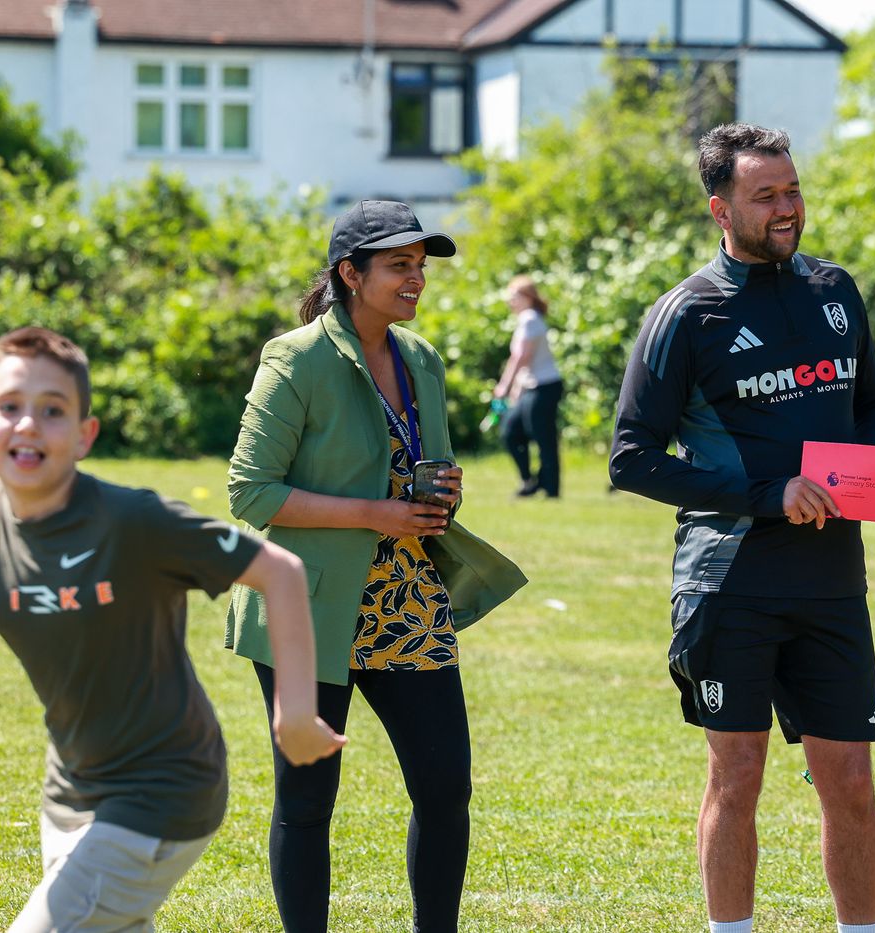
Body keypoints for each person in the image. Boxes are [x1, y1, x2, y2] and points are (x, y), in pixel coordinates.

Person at [0, 326, 344, 933]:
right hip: (70, 794)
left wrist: (294, 714)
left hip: (166, 790)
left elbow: (280, 571)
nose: (27, 425)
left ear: (84, 435)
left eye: (52, 411)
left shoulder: (131, 520)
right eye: (9, 408)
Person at [609, 123, 875, 933]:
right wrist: (766, 493)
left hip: (830, 583)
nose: (788, 208)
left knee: (851, 779)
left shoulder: (835, 290)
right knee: (737, 773)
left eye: (792, 190)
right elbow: (632, 459)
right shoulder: (687, 314)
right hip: (729, 581)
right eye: (766, 196)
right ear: (721, 209)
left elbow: (872, 403)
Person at [227, 199, 527, 933]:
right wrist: (375, 512)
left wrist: (443, 491)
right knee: (307, 800)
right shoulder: (294, 358)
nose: (416, 280)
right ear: (350, 274)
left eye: (421, 266)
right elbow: (251, 490)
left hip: (407, 601)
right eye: (399, 265)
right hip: (309, 609)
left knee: (444, 787)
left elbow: (422, 459)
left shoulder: (421, 359)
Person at [492, 274, 564, 497]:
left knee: (544, 438)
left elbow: (521, 357)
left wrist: (504, 385)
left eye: (513, 297)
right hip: (532, 387)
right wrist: (516, 391)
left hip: (545, 386)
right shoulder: (527, 318)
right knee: (511, 431)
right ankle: (530, 480)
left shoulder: (530, 318)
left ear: (527, 297)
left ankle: (550, 488)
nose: (510, 302)